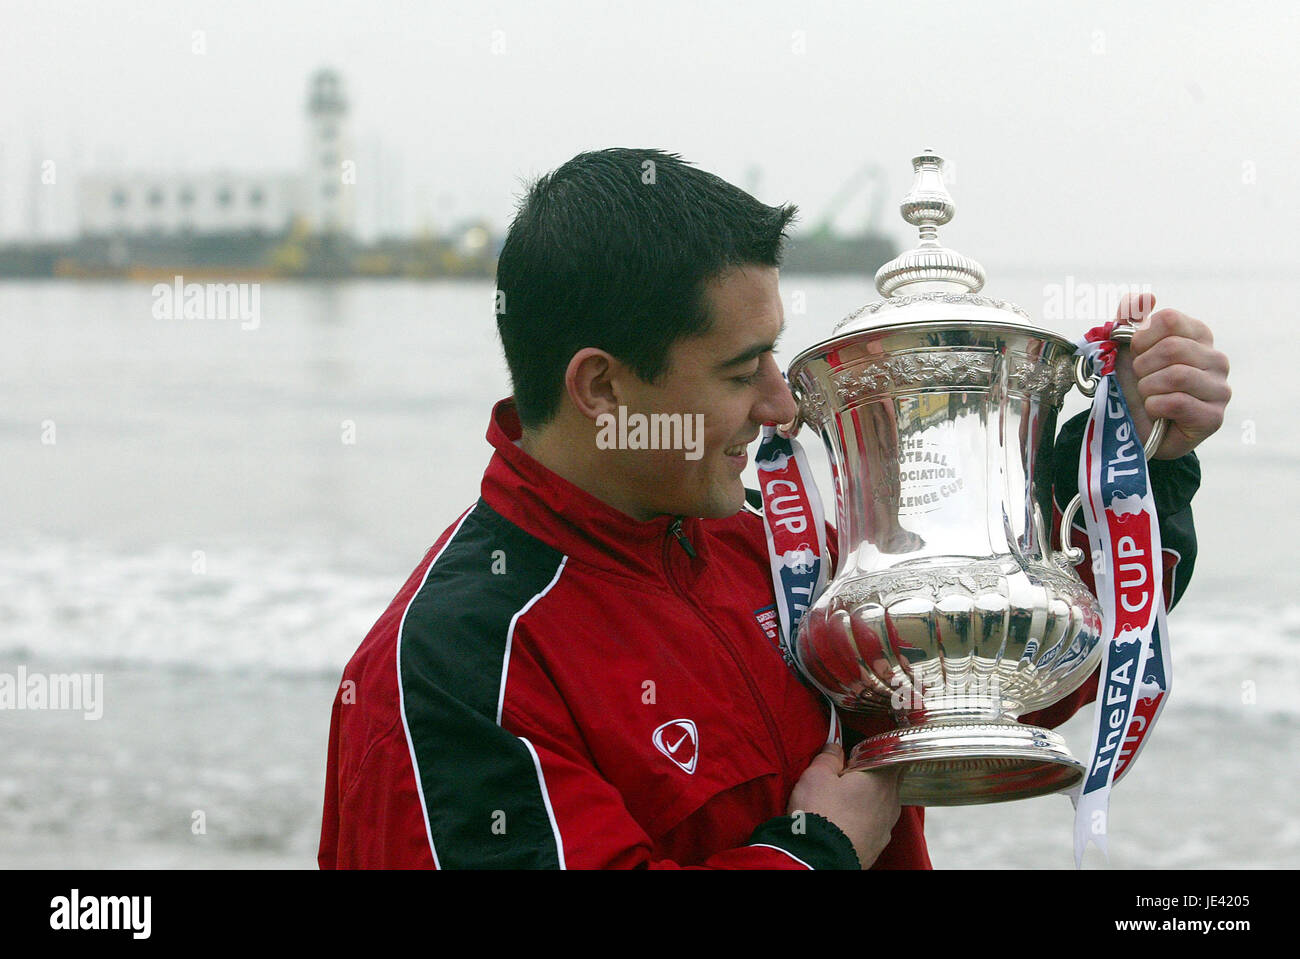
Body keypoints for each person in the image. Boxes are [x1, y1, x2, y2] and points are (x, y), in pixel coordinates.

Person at [317, 148, 1230, 869]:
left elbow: (986, 691)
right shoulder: (451, 666)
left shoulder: (767, 547)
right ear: (602, 387)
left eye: (775, 356)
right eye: (737, 368)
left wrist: (1136, 467)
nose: (782, 404)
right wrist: (815, 854)